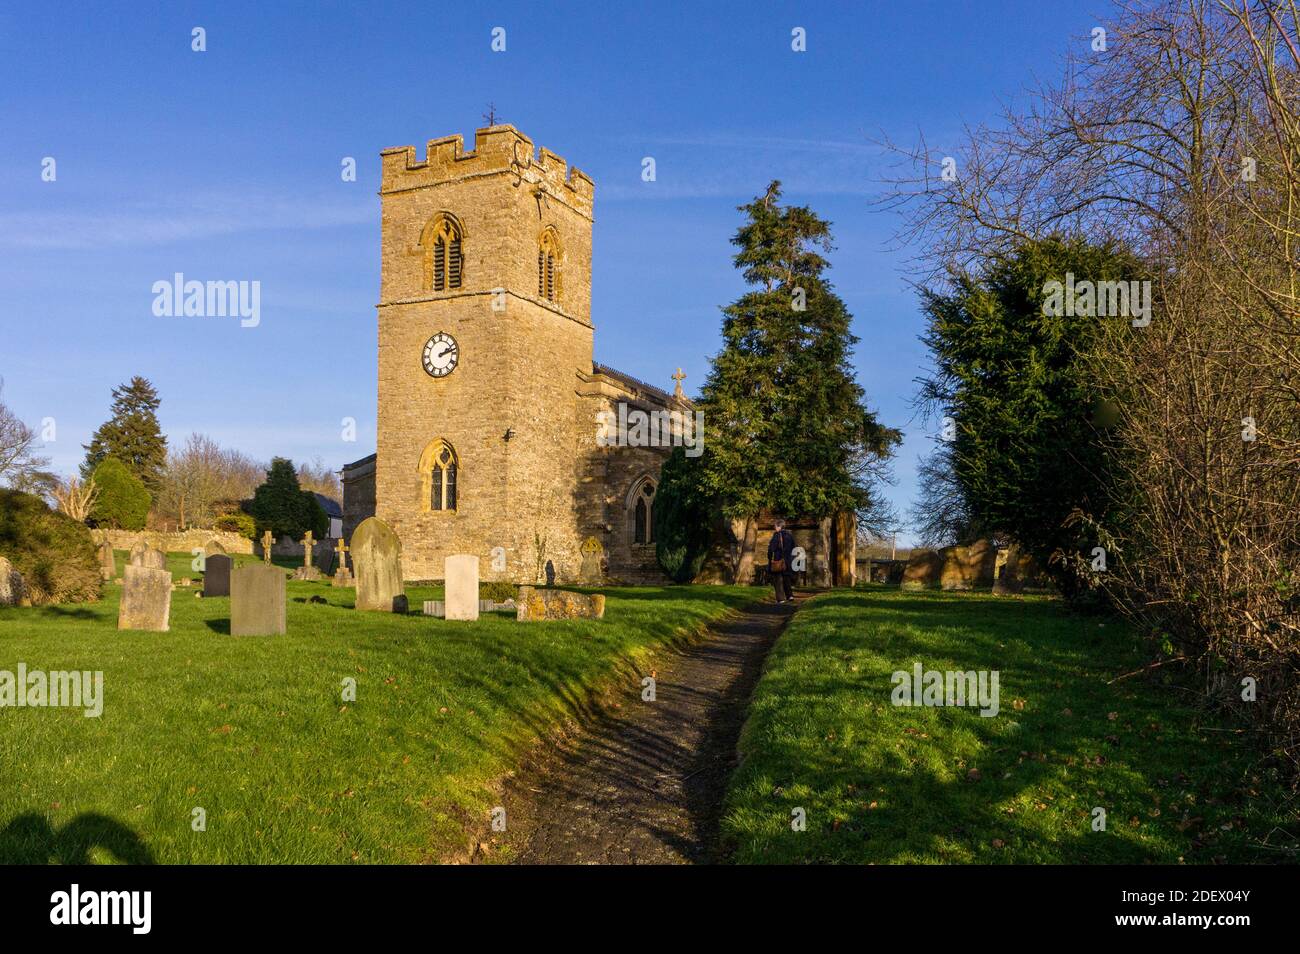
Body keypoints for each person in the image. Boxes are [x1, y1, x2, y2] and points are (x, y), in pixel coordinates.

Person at [767, 518, 795, 604]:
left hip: (778, 560)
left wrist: (769, 557)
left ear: (779, 526)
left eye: (775, 526)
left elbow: (772, 548)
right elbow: (793, 546)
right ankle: (790, 596)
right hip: (788, 560)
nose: (774, 528)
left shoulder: (776, 535)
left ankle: (780, 598)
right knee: (787, 578)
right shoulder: (790, 535)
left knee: (778, 579)